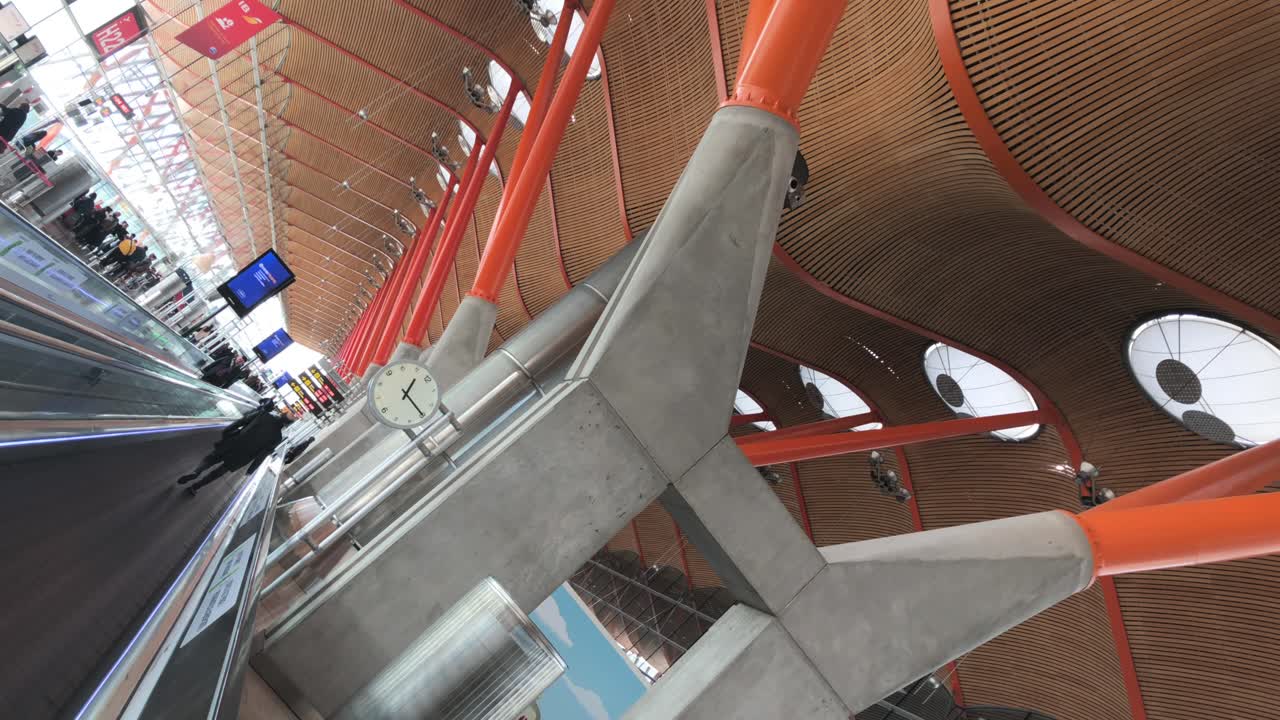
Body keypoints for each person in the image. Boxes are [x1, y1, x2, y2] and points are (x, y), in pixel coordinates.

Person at [177, 401, 292, 495]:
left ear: (281, 414)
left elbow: (242, 421)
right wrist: (251, 470)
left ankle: (196, 472)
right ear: (286, 424)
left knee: (211, 458)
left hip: (234, 442)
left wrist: (227, 431)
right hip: (242, 457)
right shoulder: (277, 437)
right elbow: (262, 455)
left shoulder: (263, 415)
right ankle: (195, 487)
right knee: (218, 473)